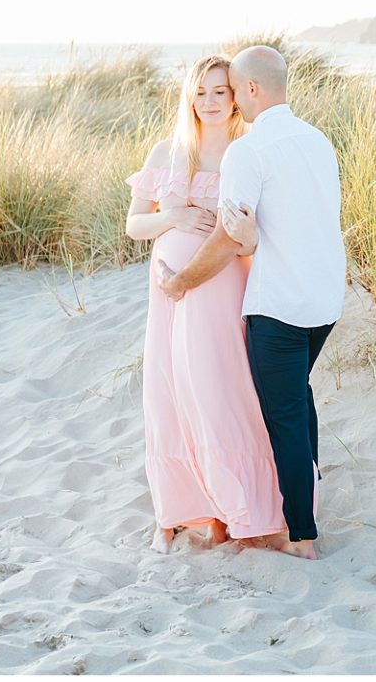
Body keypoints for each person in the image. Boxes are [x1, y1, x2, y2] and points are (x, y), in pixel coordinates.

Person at [158, 45, 346, 561]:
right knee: (299, 399)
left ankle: (302, 536)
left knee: (282, 415)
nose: (231, 101)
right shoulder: (318, 140)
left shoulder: (249, 150)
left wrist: (180, 283)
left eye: (234, 90)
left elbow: (224, 238)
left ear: (253, 90)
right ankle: (311, 487)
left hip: (279, 305)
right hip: (325, 300)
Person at [124, 55, 291, 553]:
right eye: (201, 92)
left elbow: (262, 235)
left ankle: (235, 508)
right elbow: (135, 225)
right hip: (167, 292)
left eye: (221, 91)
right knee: (169, 391)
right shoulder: (167, 151)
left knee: (219, 389)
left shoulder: (249, 152)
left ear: (237, 95)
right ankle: (178, 511)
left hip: (220, 289)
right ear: (188, 97)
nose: (211, 102)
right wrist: (171, 217)